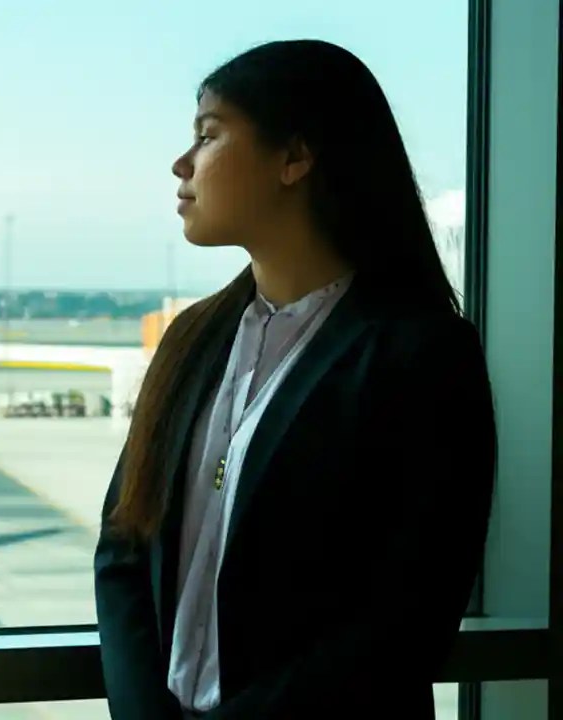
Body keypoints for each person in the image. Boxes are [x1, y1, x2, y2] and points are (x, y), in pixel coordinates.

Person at [93, 39, 497, 719]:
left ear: (295, 158)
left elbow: (407, 618)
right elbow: (123, 549)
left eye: (209, 134)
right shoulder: (191, 340)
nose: (181, 163)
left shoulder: (420, 354)